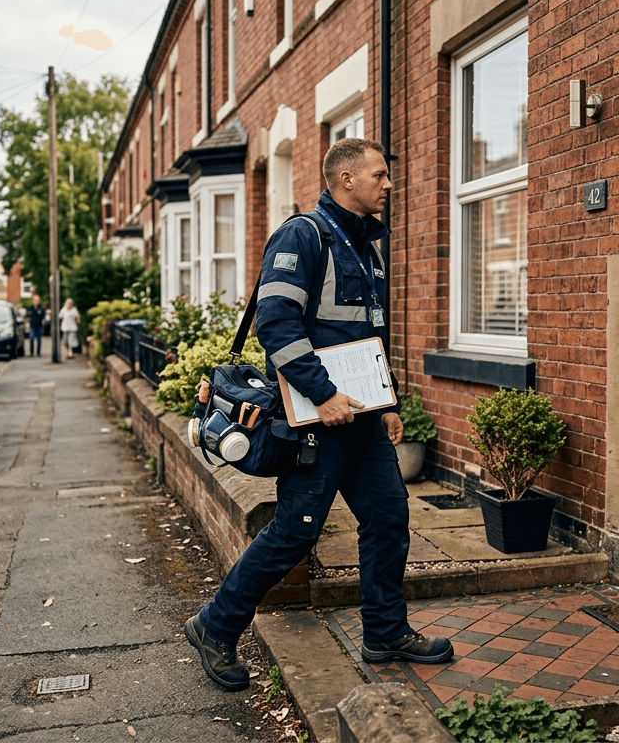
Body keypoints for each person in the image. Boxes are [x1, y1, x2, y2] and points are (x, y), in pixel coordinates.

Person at [185, 138, 452, 691]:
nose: (389, 184)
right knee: (295, 531)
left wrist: (388, 403)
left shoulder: (366, 247)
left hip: (361, 422)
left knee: (388, 517)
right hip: (315, 421)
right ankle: (215, 625)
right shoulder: (302, 236)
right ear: (345, 179)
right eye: (379, 175)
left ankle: (384, 631)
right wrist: (324, 394)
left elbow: (367, 336)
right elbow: (276, 325)